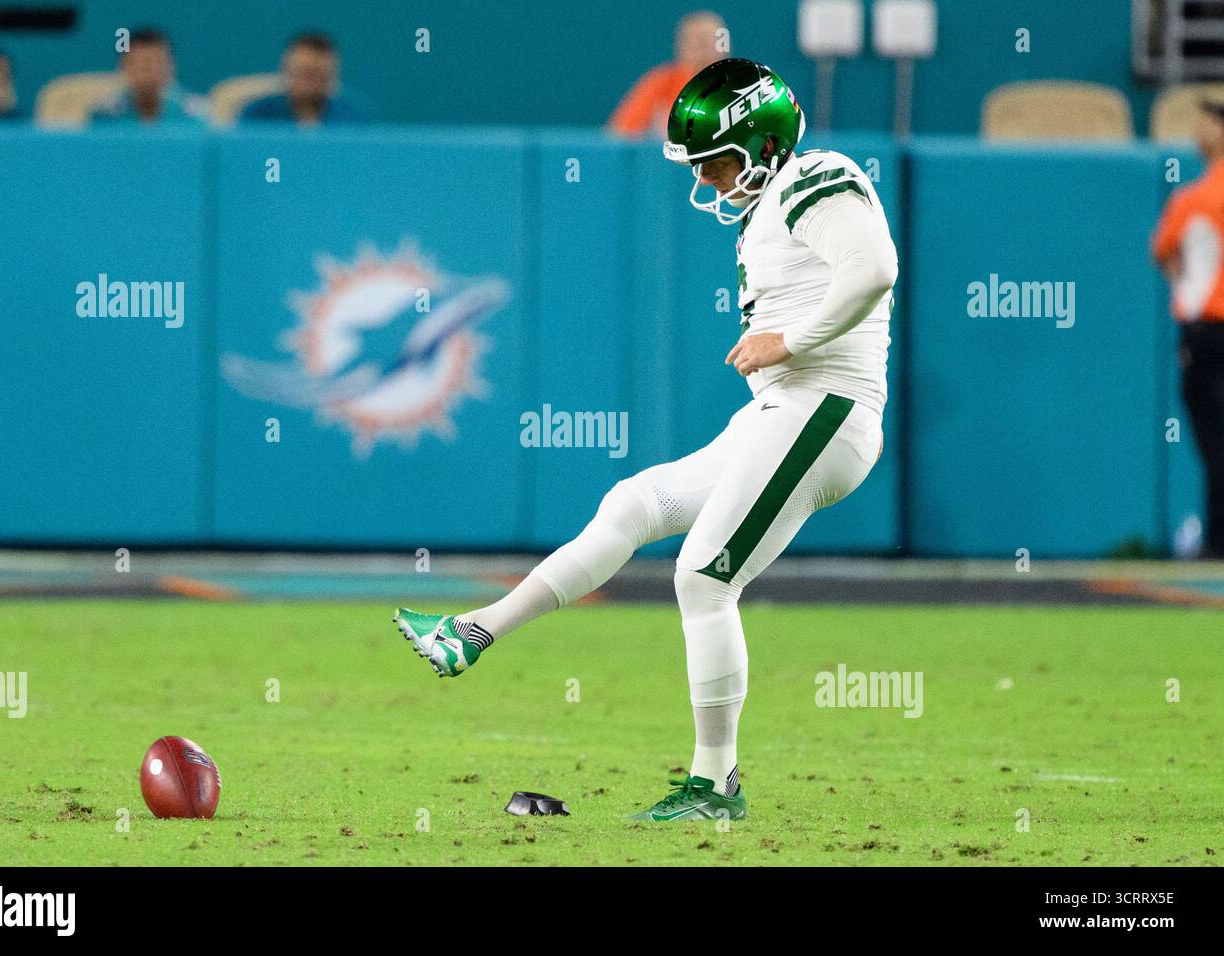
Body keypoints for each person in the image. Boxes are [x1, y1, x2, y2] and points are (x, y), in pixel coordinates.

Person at [395, 59, 897, 822]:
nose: (716, 180)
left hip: (826, 406)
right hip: (786, 410)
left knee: (703, 578)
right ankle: (474, 631)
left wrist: (789, 340)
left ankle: (714, 787)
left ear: (765, 141)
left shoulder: (816, 175)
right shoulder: (770, 208)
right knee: (635, 504)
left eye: (723, 161)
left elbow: (875, 270)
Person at [1152, 99, 1224, 559]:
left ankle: (1217, 545)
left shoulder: (1194, 198)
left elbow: (1164, 254)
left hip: (1209, 337)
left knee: (1215, 443)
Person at [606, 11, 726, 138]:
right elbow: (620, 134)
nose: (701, 50)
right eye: (694, 41)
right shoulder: (661, 82)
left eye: (707, 42)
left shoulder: (739, 82)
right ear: (681, 45)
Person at [238, 33, 373, 126]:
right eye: (303, 73)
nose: (309, 83)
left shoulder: (352, 117)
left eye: (317, 74)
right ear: (287, 71)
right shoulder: (258, 114)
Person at [88, 28, 207, 126]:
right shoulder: (105, 114)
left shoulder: (195, 113)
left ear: (172, 66)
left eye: (157, 62)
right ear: (123, 67)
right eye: (140, 64)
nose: (149, 71)